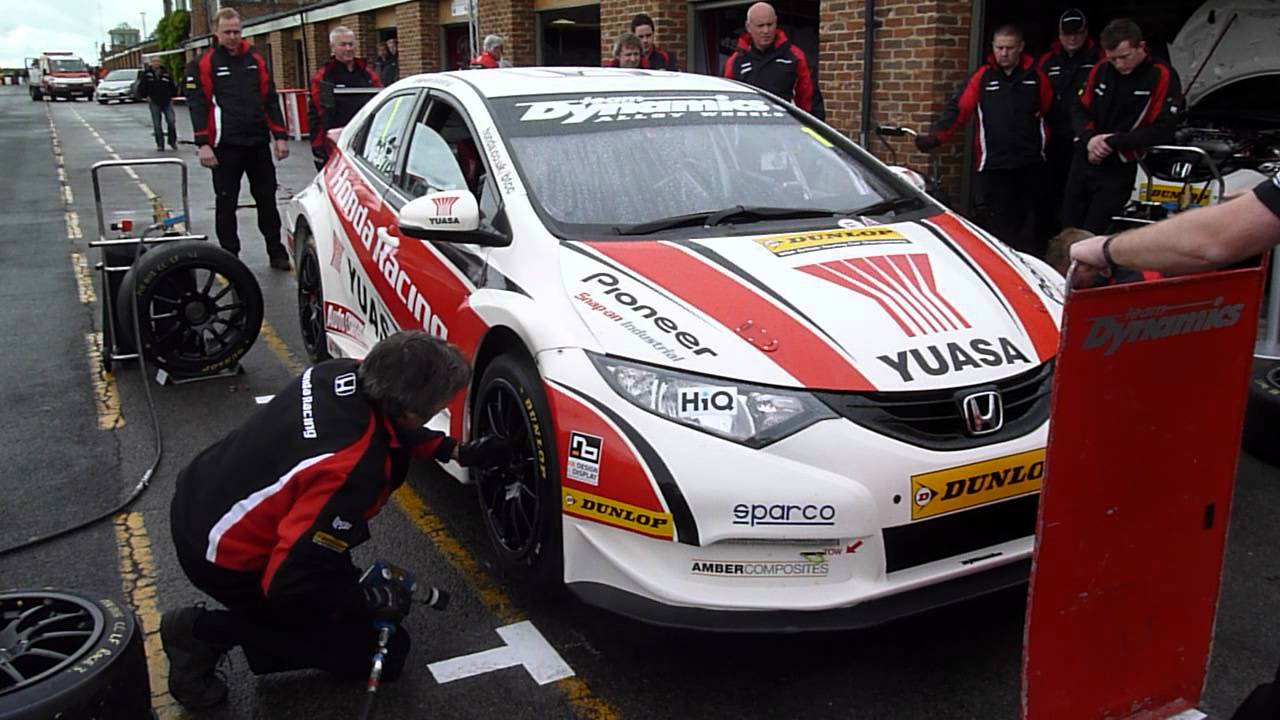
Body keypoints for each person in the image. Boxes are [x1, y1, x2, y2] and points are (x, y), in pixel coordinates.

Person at [160, 331, 517, 710]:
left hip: (201, 495)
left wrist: (454, 450)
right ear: (412, 412)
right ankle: (199, 633)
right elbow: (287, 578)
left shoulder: (338, 374)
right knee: (384, 652)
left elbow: (390, 426)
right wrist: (361, 599)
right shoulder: (352, 470)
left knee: (339, 596)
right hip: (222, 552)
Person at [915, 24, 1052, 257]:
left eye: (1009, 48)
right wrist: (936, 138)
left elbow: (1050, 111)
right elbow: (958, 110)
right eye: (999, 48)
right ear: (993, 48)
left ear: (1020, 47)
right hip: (993, 164)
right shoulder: (982, 77)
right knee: (998, 223)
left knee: (1030, 223)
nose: (1004, 53)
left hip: (1029, 163)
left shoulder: (1036, 77)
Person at [184, 8, 292, 270]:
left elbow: (270, 98)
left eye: (237, 31)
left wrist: (280, 136)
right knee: (226, 202)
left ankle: (275, 250)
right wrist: (203, 144)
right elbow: (197, 104)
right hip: (225, 147)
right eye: (227, 32)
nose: (233, 36)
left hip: (256, 143)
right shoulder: (202, 63)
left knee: (266, 198)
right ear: (216, 32)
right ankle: (230, 256)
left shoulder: (255, 59)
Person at [1061, 18, 1182, 235]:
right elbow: (1079, 108)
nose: (1119, 64)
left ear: (1141, 47)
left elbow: (1163, 128)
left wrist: (1112, 142)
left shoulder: (1161, 74)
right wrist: (1090, 139)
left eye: (1124, 57)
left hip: (1122, 163)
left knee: (1097, 232)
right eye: (1113, 59)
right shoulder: (1101, 69)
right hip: (1085, 158)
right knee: (1068, 229)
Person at [1038, 8, 1102, 228]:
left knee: (1079, 197)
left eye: (1077, 32)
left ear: (1086, 32)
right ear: (1059, 34)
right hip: (1053, 139)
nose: (1072, 38)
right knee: (1049, 194)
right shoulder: (1048, 61)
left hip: (1085, 139)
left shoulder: (1099, 59)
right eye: (1067, 33)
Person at [309, 26, 382, 171]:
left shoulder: (367, 74)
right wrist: (318, 146)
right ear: (333, 48)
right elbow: (318, 113)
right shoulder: (324, 77)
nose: (348, 48)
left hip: (365, 143)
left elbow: (381, 101)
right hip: (334, 144)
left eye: (351, 44)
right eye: (343, 45)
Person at [723, 3, 814, 114]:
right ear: (748, 27)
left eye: (769, 24)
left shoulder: (794, 56)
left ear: (776, 22)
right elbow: (727, 100)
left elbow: (808, 99)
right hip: (748, 126)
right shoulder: (735, 61)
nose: (766, 31)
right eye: (760, 26)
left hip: (785, 125)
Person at [140, 55, 179, 151]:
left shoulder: (166, 73)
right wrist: (146, 96)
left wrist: (173, 96)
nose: (156, 63)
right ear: (150, 63)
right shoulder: (146, 74)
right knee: (157, 124)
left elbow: (172, 85)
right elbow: (142, 86)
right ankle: (160, 144)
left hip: (167, 101)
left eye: (157, 61)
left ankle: (172, 141)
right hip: (154, 101)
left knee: (171, 121)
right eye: (154, 61)